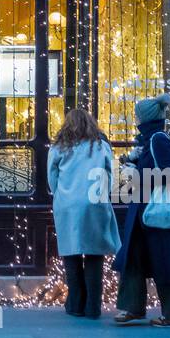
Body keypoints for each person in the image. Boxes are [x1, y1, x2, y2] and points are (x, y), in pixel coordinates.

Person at [113, 93, 170, 327]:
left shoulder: (158, 139)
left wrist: (135, 174)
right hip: (143, 213)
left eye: (137, 114)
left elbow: (169, 175)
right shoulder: (148, 140)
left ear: (144, 117)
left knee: (164, 262)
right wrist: (132, 163)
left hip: (158, 214)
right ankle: (133, 308)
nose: (135, 117)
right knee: (133, 259)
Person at [47, 108, 121, 319]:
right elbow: (110, 175)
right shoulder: (100, 146)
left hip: (68, 206)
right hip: (94, 203)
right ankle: (93, 307)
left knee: (71, 253)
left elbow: (52, 179)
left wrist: (62, 195)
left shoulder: (58, 147)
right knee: (94, 255)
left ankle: (75, 304)